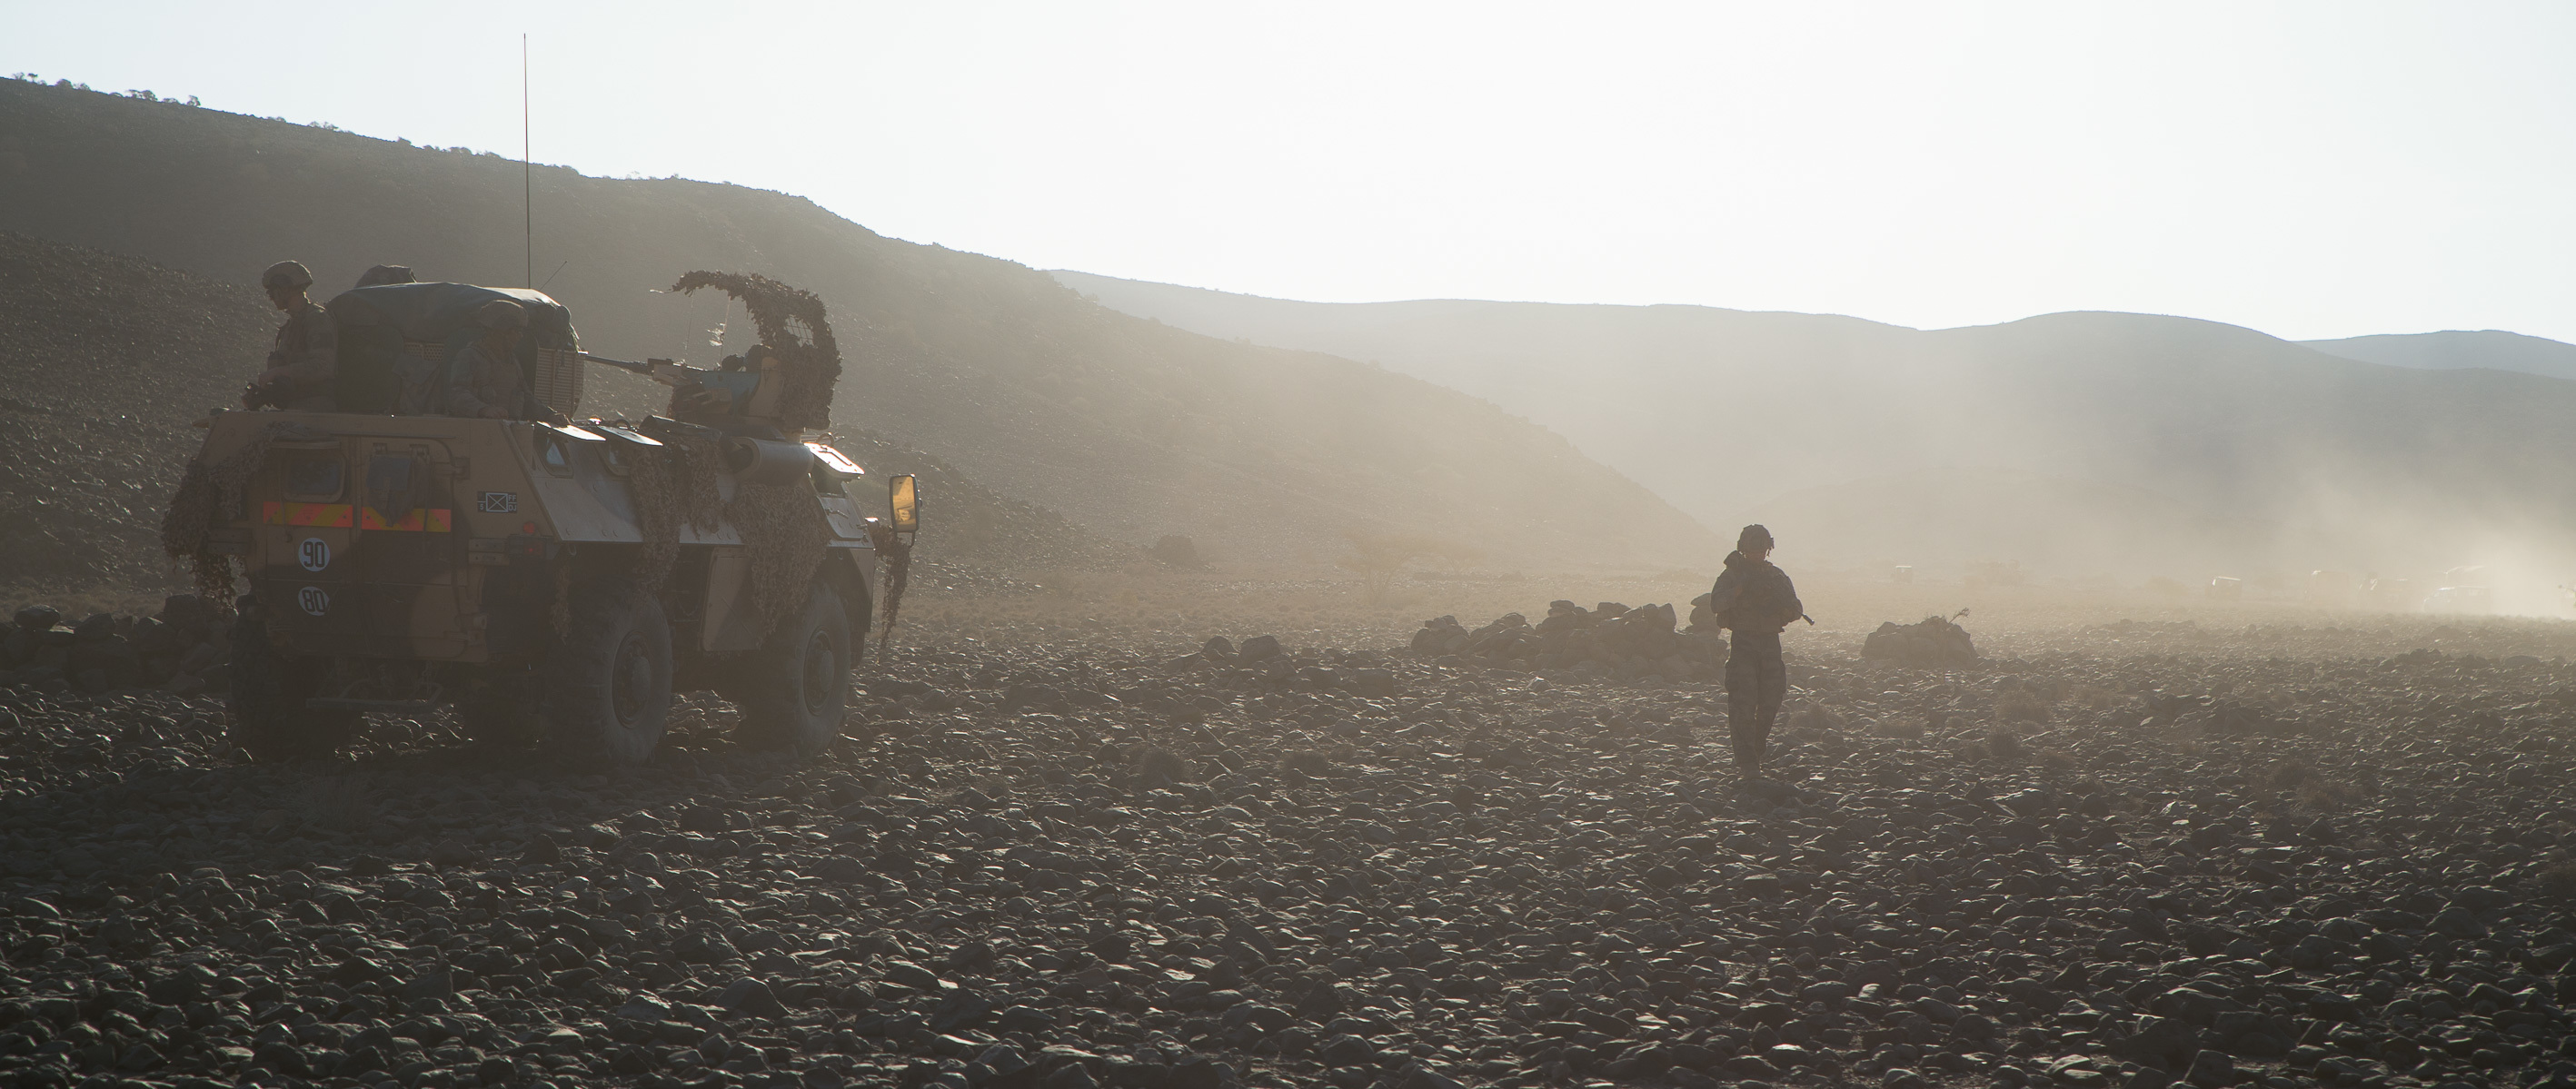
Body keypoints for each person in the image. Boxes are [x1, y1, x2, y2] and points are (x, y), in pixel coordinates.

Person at [1709, 523, 1803, 774]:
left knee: (1771, 698)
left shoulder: (1776, 576)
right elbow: (1716, 603)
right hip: (1744, 643)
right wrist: (1737, 592)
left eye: (1761, 547)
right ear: (1743, 548)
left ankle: (1757, 748)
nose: (1757, 552)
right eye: (1753, 546)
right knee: (1743, 699)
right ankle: (1746, 759)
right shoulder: (1732, 575)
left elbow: (1796, 607)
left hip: (1770, 643)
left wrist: (1785, 610)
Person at [247, 260, 338, 411]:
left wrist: (277, 372)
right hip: (296, 407)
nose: (270, 297)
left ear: (286, 289)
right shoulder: (292, 325)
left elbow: (322, 367)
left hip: (314, 408)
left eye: (272, 291)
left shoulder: (317, 319)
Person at [442, 300, 538, 420]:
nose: (520, 336)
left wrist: (550, 414)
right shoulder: (470, 356)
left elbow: (527, 398)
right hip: (474, 430)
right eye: (516, 331)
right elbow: (456, 394)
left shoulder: (512, 361)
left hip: (506, 431)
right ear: (499, 331)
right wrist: (483, 409)